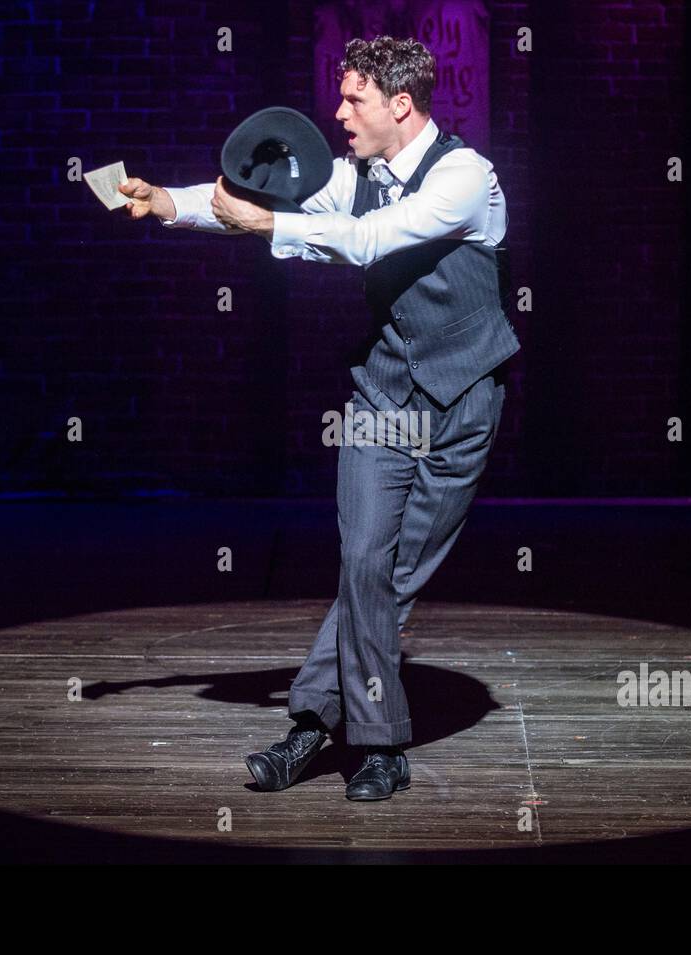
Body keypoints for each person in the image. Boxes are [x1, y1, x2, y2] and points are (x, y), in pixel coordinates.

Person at [119, 35, 519, 801]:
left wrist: (268, 229)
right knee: (364, 562)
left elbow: (370, 240)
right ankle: (378, 746)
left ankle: (310, 725)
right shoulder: (354, 178)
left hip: (463, 404)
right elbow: (264, 198)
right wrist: (170, 203)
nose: (337, 114)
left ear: (400, 104)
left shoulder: (466, 176)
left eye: (353, 100)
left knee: (392, 579)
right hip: (384, 399)